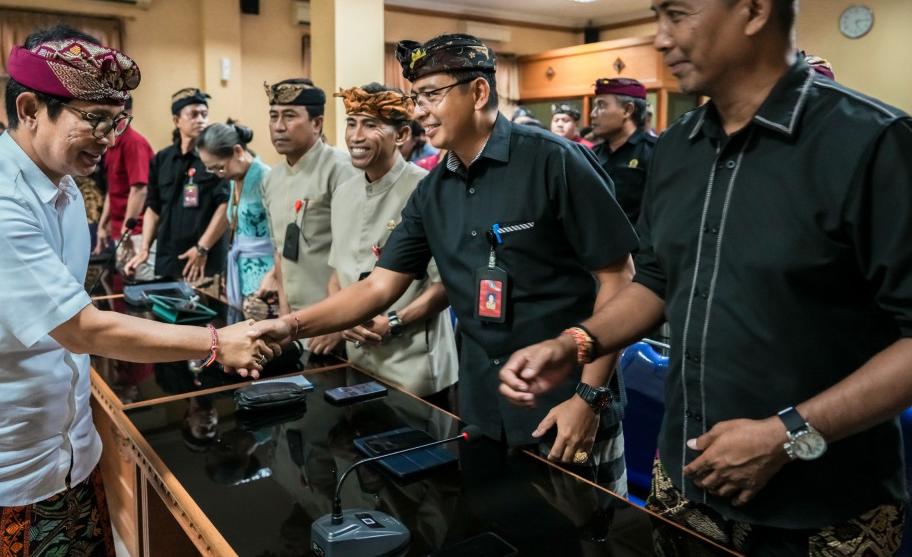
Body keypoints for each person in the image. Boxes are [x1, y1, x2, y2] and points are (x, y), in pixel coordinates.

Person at [499, 0, 912, 555]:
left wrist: (787, 434)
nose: (659, 39)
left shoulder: (870, 144)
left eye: (677, 14)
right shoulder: (681, 147)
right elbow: (661, 278)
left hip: (825, 508)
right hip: (685, 486)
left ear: (753, 9)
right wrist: (577, 340)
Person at [0, 24, 278, 556]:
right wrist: (215, 342)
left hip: (63, 455)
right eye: (93, 119)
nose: (109, 137)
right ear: (29, 110)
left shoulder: (66, 190)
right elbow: (77, 327)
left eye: (117, 121)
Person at [250, 34, 638, 494]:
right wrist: (292, 326)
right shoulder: (434, 191)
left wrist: (589, 397)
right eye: (416, 97)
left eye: (432, 94)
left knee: (585, 540)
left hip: (565, 404)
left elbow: (619, 280)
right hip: (481, 408)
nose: (419, 110)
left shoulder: (553, 160)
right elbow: (377, 289)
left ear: (477, 93)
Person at [329, 83, 458, 408]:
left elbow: (447, 284)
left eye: (370, 125)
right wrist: (342, 318)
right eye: (351, 123)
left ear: (401, 135)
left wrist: (394, 322)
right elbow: (338, 272)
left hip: (414, 369)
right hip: (356, 361)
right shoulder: (343, 192)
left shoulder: (426, 189)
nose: (355, 136)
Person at [257, 78, 359, 354]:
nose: (279, 126)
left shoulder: (342, 170)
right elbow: (279, 252)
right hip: (295, 323)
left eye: (290, 116)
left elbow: (354, 254)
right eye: (274, 116)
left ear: (316, 123)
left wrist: (339, 324)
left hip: (336, 325)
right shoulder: (272, 178)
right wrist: (285, 317)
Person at [124, 88, 231, 284]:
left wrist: (202, 248)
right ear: (177, 120)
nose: (201, 120)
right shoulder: (161, 160)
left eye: (204, 114)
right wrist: (145, 249)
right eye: (193, 114)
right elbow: (153, 208)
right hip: (170, 258)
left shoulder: (216, 159)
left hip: (204, 260)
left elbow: (226, 205)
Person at [195, 122, 274, 323]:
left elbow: (285, 237)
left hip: (267, 277)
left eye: (220, 167)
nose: (219, 174)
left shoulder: (267, 179)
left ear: (238, 151)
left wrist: (275, 275)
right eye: (211, 170)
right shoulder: (234, 179)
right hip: (241, 272)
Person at [93, 94, 156, 276]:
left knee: (139, 283)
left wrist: (126, 230)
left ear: (127, 113)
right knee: (122, 285)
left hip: (137, 231)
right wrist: (103, 225)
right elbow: (113, 190)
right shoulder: (112, 145)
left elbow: (140, 189)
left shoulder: (134, 143)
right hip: (119, 230)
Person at [588, 77, 657, 224]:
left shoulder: (654, 151)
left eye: (601, 105)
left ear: (627, 110)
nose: (593, 114)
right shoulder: (593, 154)